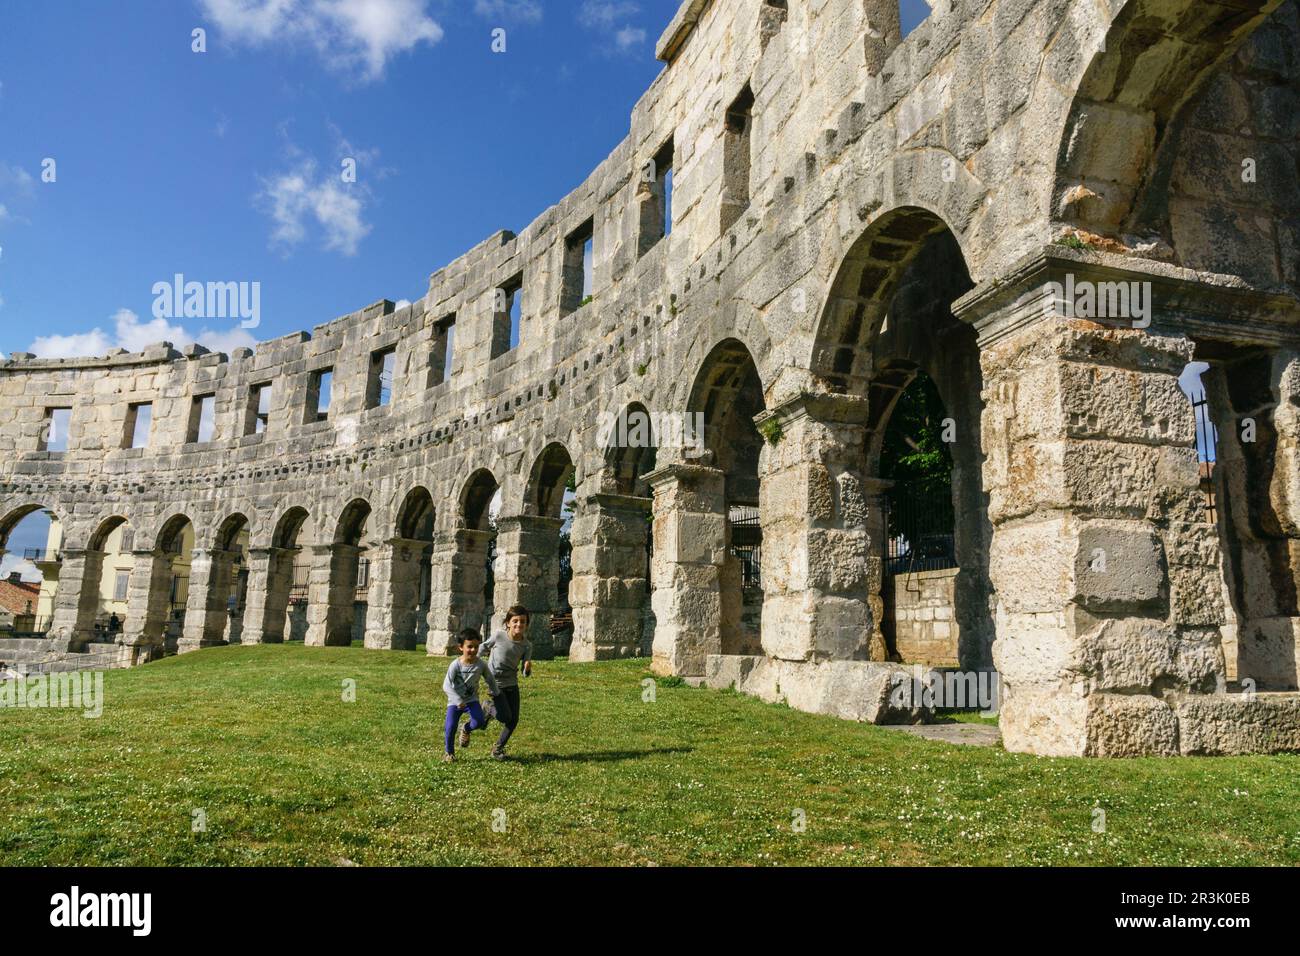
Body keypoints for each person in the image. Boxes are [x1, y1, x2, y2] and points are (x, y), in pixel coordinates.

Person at [480, 604, 533, 761]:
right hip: (494, 681)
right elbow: (483, 647)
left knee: (513, 719)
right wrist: (474, 663)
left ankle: (497, 749)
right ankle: (488, 707)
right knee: (504, 717)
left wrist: (527, 669)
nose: (519, 624)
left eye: (522, 622)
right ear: (508, 623)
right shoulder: (499, 636)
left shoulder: (527, 645)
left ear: (526, 624)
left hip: (512, 682)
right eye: (515, 621)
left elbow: (525, 673)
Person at [441, 629, 500, 763]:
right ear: (461, 647)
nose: (473, 650)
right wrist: (457, 700)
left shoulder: (481, 664)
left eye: (476, 647)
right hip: (455, 702)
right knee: (450, 727)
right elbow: (446, 685)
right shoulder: (455, 665)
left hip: (471, 700)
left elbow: (490, 679)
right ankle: (449, 753)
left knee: (479, 721)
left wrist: (496, 692)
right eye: (470, 647)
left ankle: (466, 728)